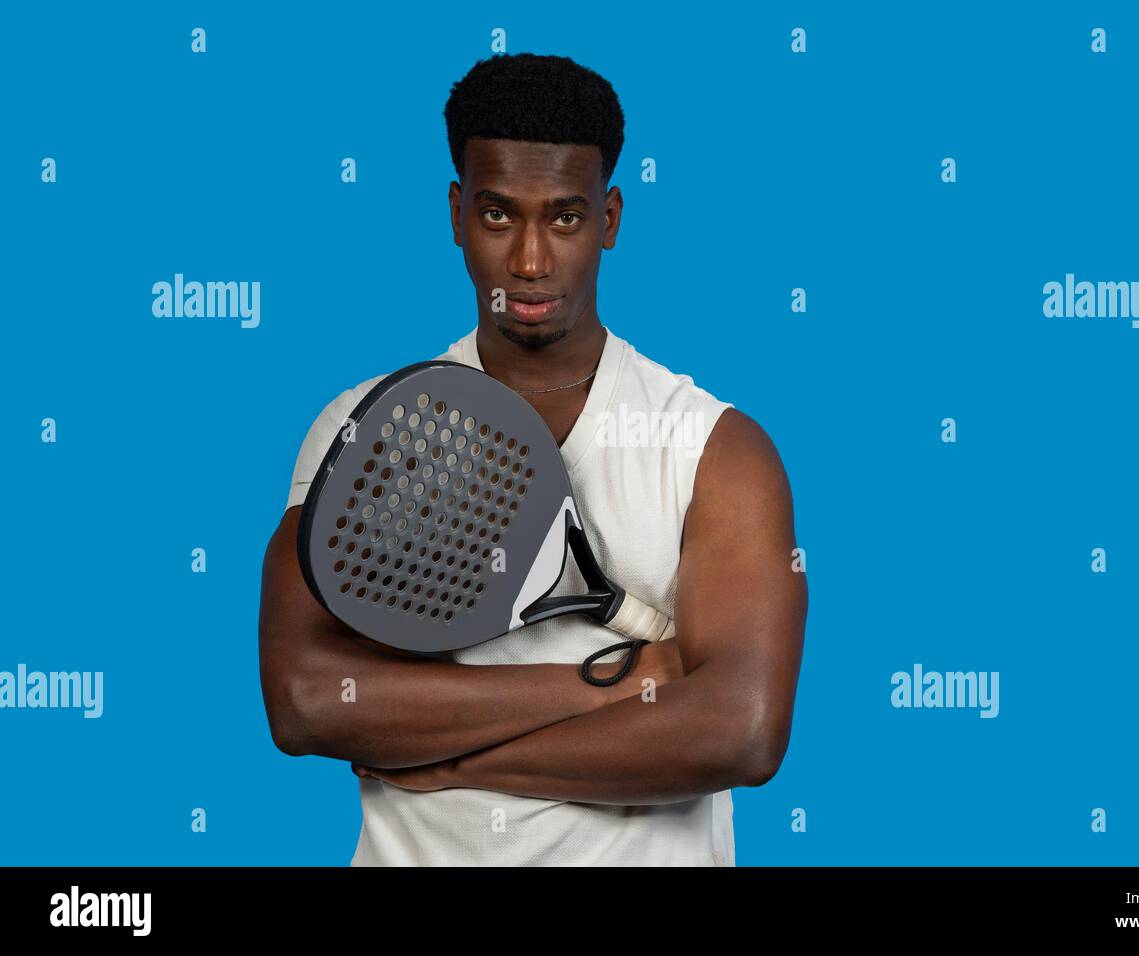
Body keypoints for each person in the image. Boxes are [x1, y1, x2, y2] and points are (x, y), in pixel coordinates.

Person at [258, 52, 807, 866]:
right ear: (454, 213)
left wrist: (455, 762)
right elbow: (307, 702)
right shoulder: (365, 427)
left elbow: (741, 729)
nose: (528, 262)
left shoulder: (715, 448)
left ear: (610, 219)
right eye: (496, 215)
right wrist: (627, 680)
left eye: (564, 218)